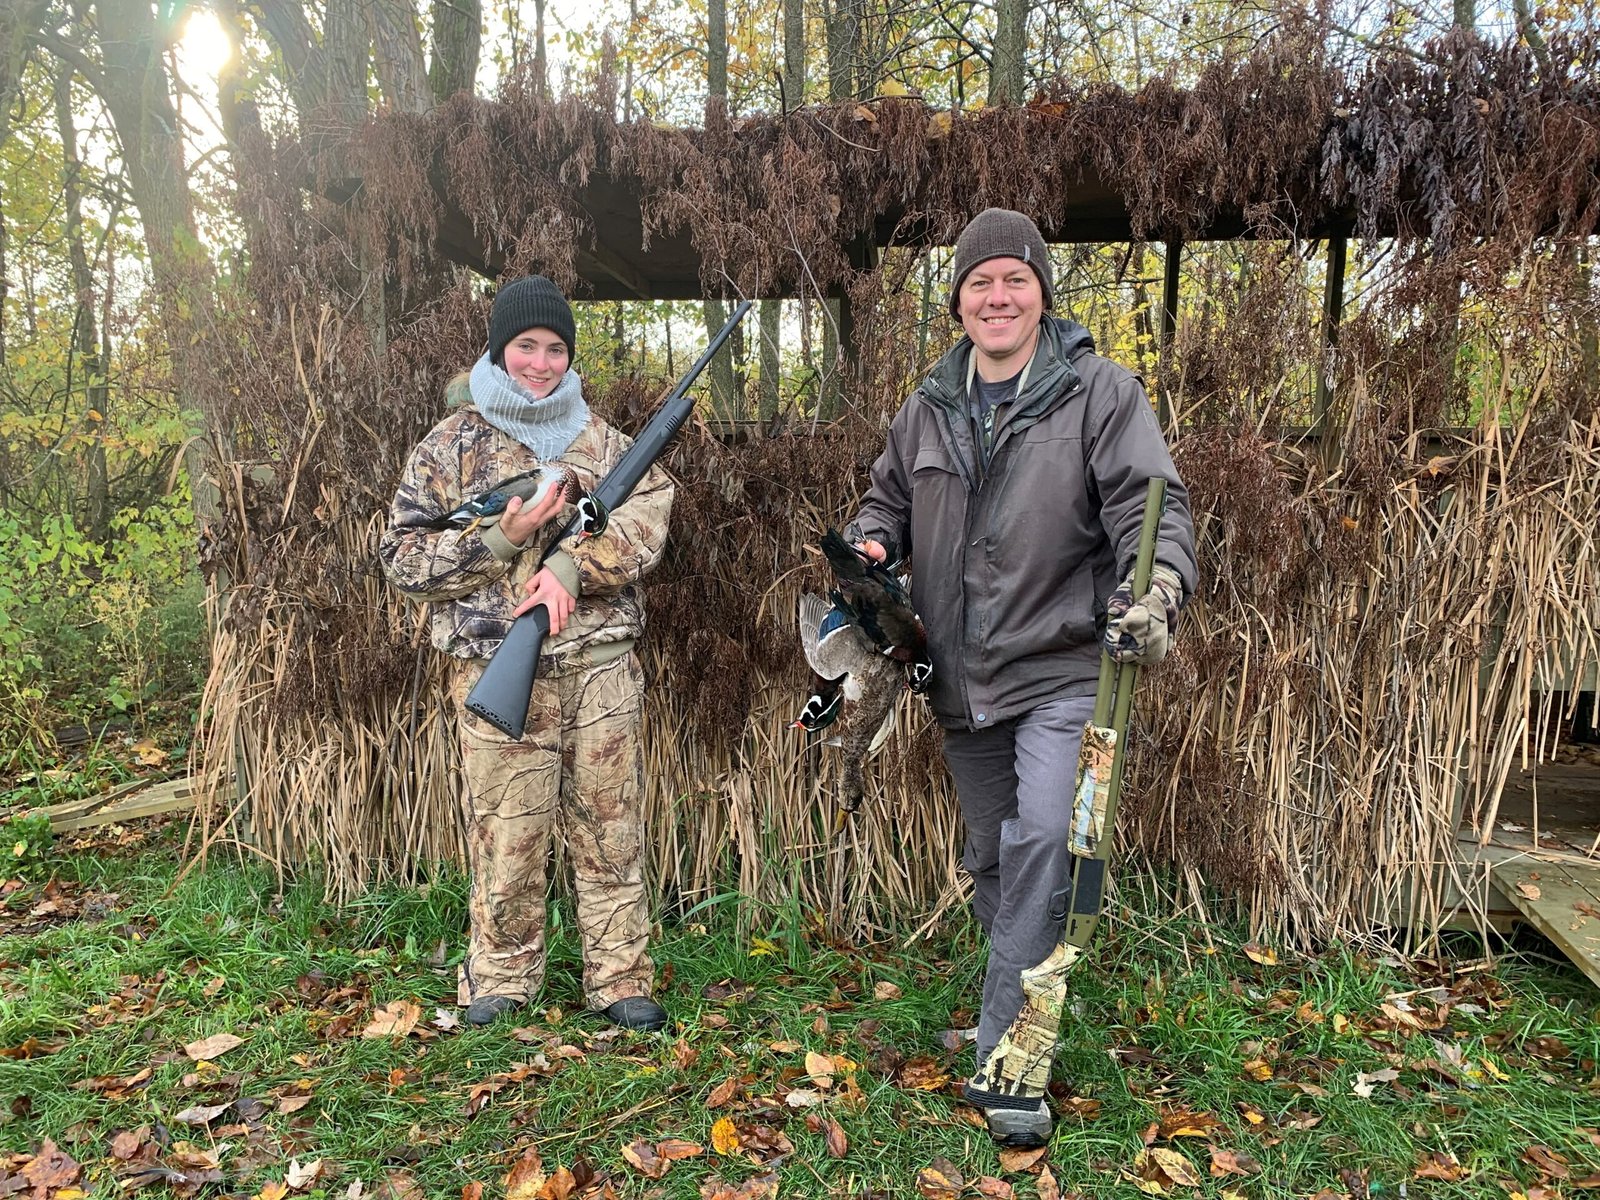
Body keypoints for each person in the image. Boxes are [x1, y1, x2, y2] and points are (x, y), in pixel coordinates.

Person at [845, 209, 1198, 1146]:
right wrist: (873, 542)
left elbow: (1149, 506)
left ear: (1042, 292)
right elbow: (888, 495)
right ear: (957, 301)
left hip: (1065, 667)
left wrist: (1155, 590)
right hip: (959, 679)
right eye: (978, 283)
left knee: (1048, 837)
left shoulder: (1097, 393)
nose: (996, 297)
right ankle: (1013, 1015)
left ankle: (1012, 1060)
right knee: (995, 858)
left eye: (1014, 280)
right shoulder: (925, 404)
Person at [380, 275, 673, 1032]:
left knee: (611, 831)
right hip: (494, 667)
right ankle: (503, 978)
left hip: (601, 668)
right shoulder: (450, 445)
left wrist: (575, 565)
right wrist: (502, 539)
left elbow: (648, 525)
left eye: (554, 349)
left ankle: (620, 978)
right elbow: (403, 560)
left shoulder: (606, 444)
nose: (542, 363)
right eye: (526, 347)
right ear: (499, 350)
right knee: (508, 833)